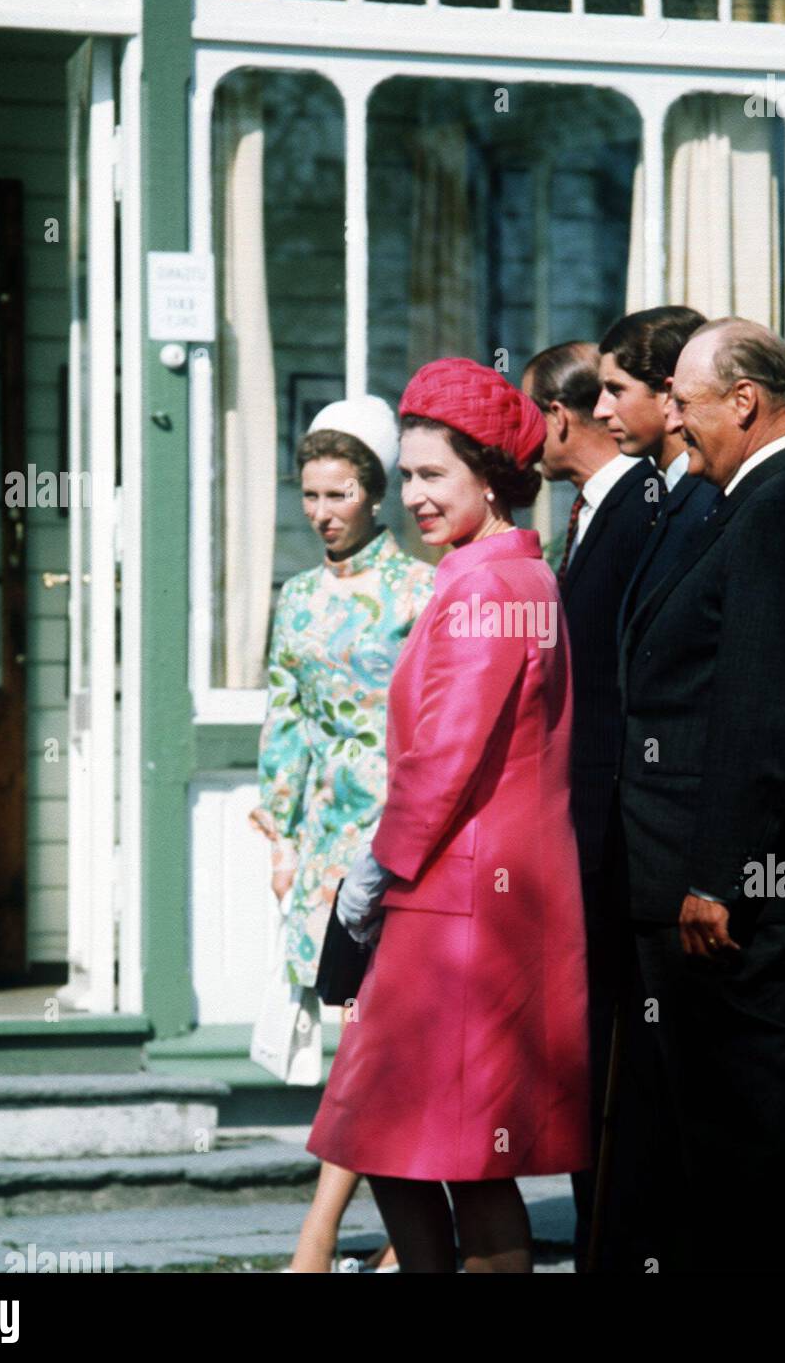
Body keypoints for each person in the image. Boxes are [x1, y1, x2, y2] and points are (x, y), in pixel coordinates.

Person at [306, 357, 590, 1273]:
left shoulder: (486, 587)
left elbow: (442, 760)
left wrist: (371, 875)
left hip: (460, 904)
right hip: (472, 895)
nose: (416, 497)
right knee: (406, 1140)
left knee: (450, 1151)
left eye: (435, 475)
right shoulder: (510, 576)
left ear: (491, 478)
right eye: (409, 476)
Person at [609, 317, 785, 1273]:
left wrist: (719, 877)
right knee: (713, 1134)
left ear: (745, 401)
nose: (672, 421)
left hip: (739, 889)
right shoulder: (751, 498)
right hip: (702, 869)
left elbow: (763, 711)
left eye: (683, 402)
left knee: (752, 1133)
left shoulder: (784, 504)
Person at [248, 396, 434, 1274]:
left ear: (375, 494)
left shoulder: (421, 589)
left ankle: (317, 1241)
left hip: (402, 832)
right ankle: (406, 1238)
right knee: (362, 1039)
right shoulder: (294, 597)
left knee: (377, 1040)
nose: (322, 513)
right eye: (310, 496)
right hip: (327, 834)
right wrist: (281, 837)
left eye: (339, 494)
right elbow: (284, 717)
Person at [522, 341, 652, 1272]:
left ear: (556, 417)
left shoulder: (644, 509)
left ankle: (623, 1243)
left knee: (617, 1052)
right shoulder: (588, 513)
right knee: (586, 1045)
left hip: (620, 829)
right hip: (582, 828)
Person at [592, 305, 721, 642]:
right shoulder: (656, 492)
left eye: (616, 390)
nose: (600, 410)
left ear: (668, 395)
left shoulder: (710, 500)